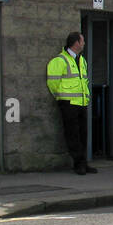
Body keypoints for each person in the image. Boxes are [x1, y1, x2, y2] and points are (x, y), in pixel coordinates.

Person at [46, 31, 96, 175]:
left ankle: (84, 163)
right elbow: (53, 83)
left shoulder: (82, 60)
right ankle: (78, 164)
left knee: (83, 134)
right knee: (72, 134)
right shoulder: (59, 61)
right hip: (68, 102)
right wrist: (61, 96)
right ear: (76, 43)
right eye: (82, 41)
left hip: (81, 102)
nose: (84, 43)